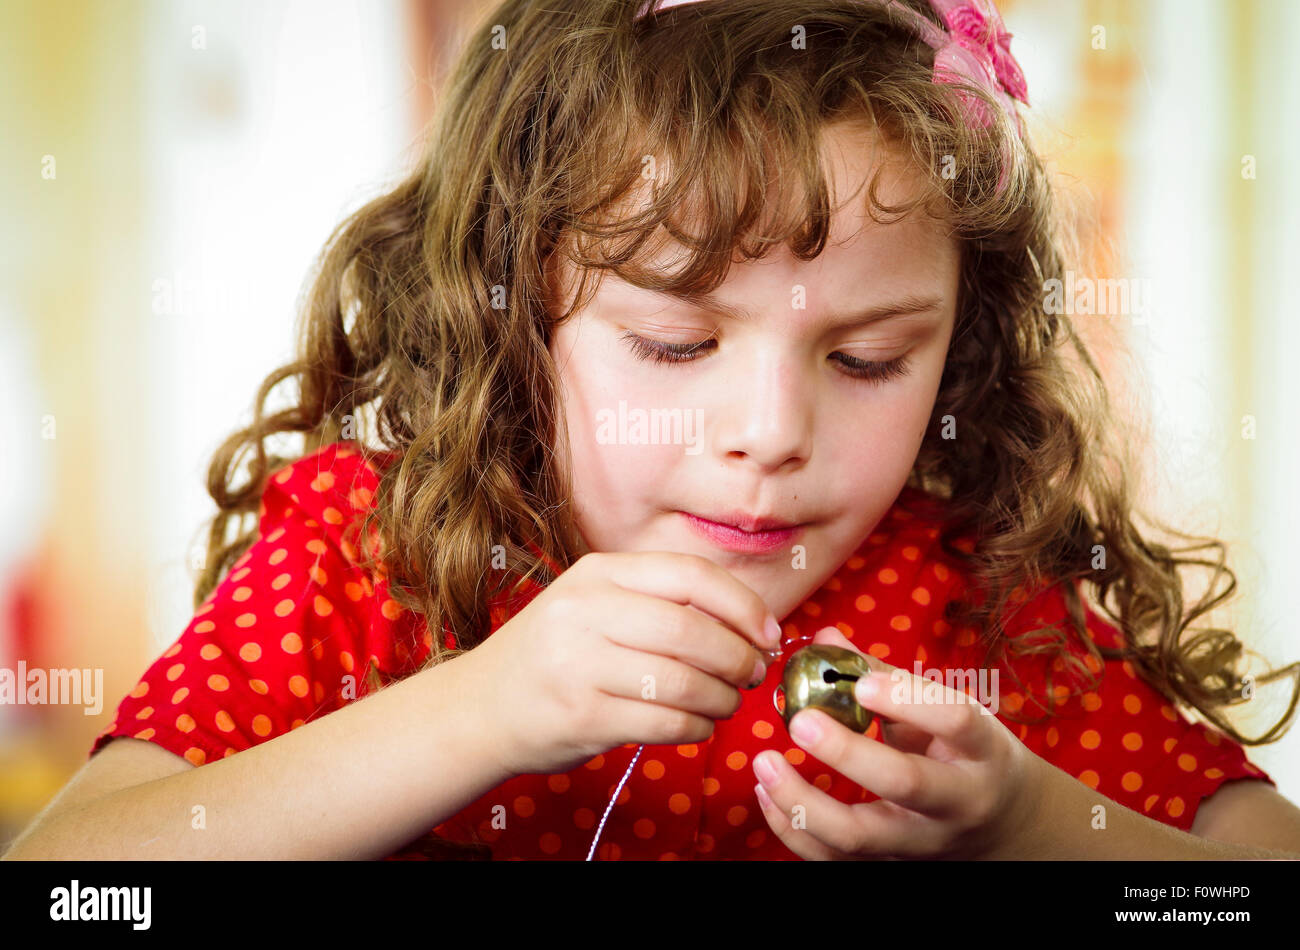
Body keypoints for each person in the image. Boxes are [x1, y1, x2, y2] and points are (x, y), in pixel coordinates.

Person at [7, 0, 1300, 861]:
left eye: (867, 356)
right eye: (677, 344)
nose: (770, 431)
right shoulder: (376, 552)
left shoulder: (969, 599)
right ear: (517, 316)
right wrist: (484, 709)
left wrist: (1032, 823)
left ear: (961, 342)